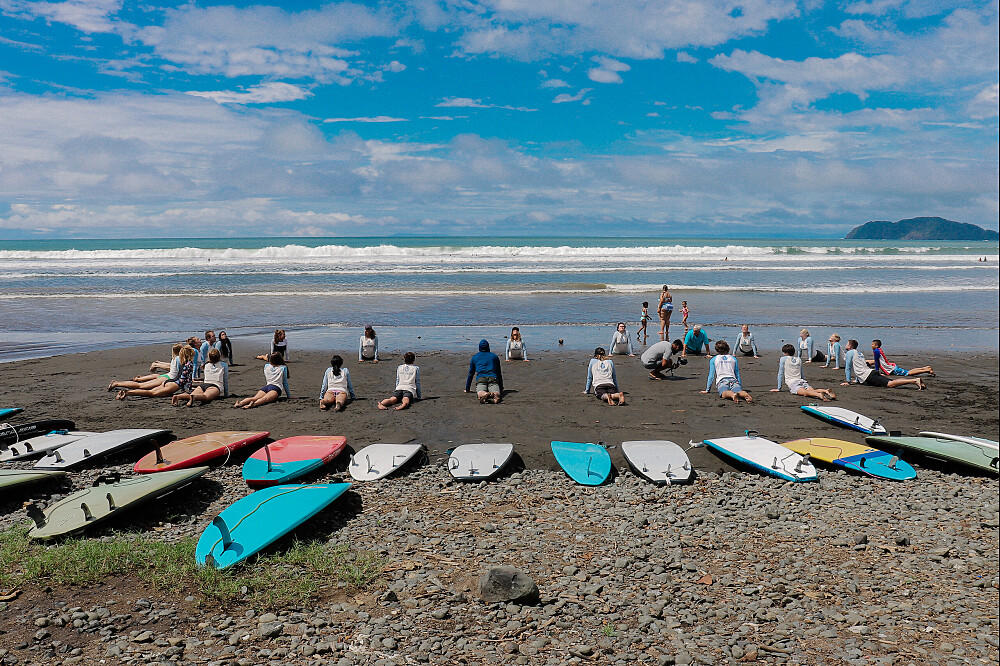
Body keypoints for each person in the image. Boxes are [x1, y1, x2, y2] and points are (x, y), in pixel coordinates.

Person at [117, 346, 194, 400]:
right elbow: (185, 379)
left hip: (169, 381)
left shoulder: (181, 362)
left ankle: (128, 392)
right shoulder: (189, 364)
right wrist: (187, 390)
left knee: (151, 391)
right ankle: (128, 393)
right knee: (152, 393)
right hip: (175, 384)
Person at [842, 340, 925, 390]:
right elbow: (861, 366)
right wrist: (857, 380)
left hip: (869, 375)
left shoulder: (850, 353)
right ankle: (915, 381)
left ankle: (914, 380)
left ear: (849, 346)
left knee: (890, 384)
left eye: (847, 343)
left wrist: (848, 381)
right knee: (891, 382)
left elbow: (848, 368)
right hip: (870, 372)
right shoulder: (859, 353)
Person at [770, 344, 836, 401]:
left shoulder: (783, 359)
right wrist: (803, 380)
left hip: (792, 382)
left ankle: (819, 395)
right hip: (801, 380)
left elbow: (780, 374)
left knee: (805, 393)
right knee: (811, 391)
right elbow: (801, 373)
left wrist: (779, 388)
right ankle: (825, 391)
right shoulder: (798, 359)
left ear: (785, 353)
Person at [109, 343, 183, 391]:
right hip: (168, 378)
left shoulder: (175, 358)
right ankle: (117, 383)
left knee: (141, 385)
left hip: (166, 376)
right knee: (141, 386)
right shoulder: (179, 359)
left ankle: (118, 383)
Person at [465, 339, 504, 404]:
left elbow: (471, 374)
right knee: (496, 391)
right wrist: (501, 387)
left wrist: (467, 388)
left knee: (480, 392)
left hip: (481, 378)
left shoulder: (475, 357)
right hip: (493, 377)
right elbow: (498, 373)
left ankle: (485, 394)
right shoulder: (494, 357)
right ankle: (495, 395)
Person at [870, 340, 935, 377]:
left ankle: (927, 370)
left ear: (876, 346)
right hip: (891, 367)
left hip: (891, 368)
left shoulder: (876, 351)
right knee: (908, 371)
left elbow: (876, 361)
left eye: (872, 344)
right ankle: (926, 368)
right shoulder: (879, 350)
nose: (871, 345)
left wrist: (877, 371)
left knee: (908, 373)